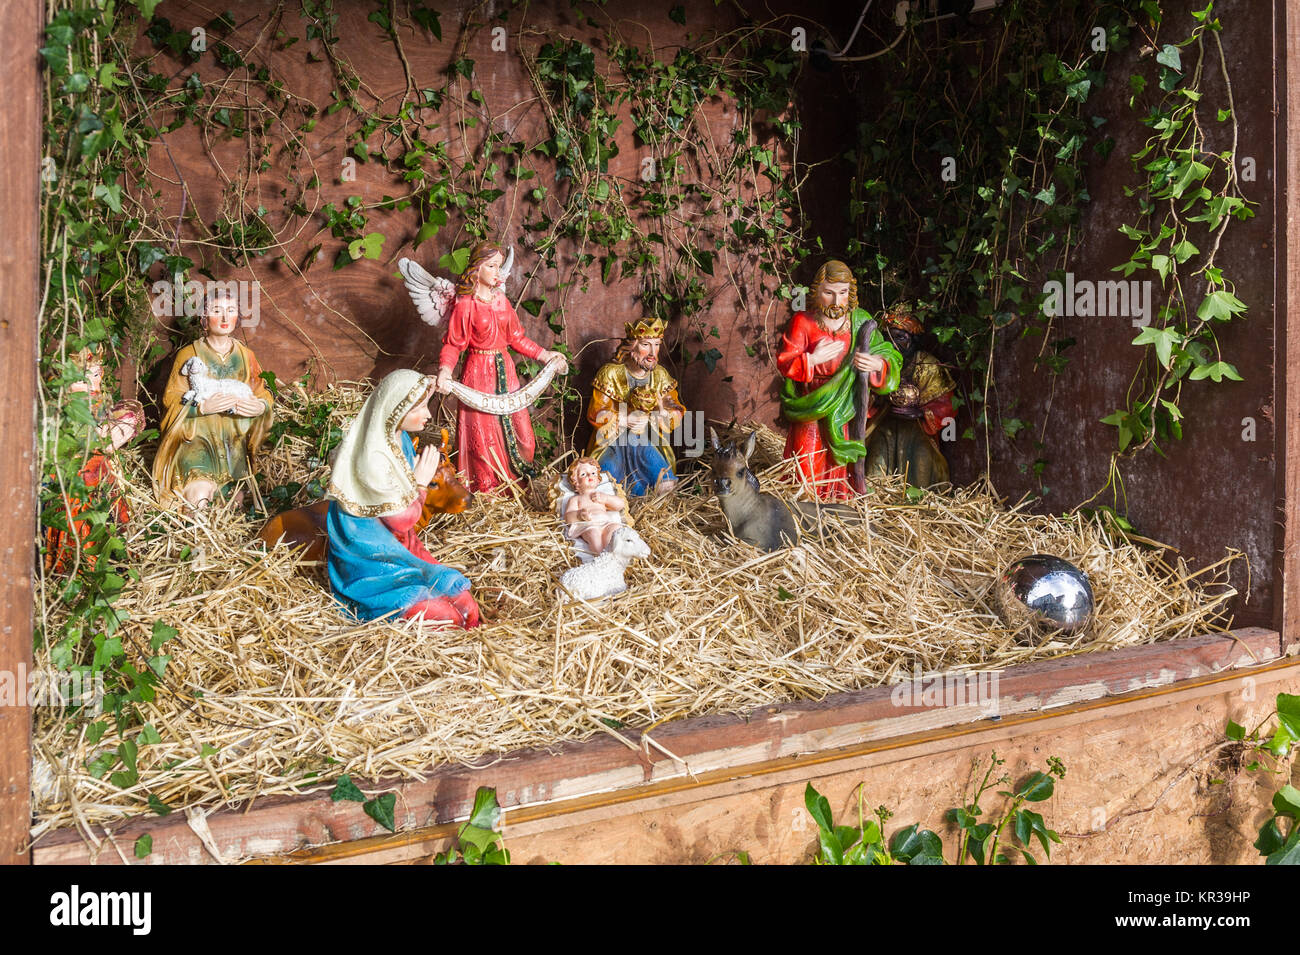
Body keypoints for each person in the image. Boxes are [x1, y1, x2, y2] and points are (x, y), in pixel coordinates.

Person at [326, 369, 480, 629]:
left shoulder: (403, 441)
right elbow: (400, 521)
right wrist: (420, 482)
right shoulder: (373, 456)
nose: (428, 415)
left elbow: (404, 530)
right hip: (372, 562)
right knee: (452, 617)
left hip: (404, 549)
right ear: (396, 409)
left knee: (468, 608)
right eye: (418, 408)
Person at [435, 241, 569, 493]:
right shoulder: (465, 304)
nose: (498, 272)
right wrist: (445, 370)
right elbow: (454, 344)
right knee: (483, 440)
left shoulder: (501, 301)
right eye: (492, 266)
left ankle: (515, 488)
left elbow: (516, 338)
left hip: (506, 372)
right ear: (477, 268)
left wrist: (544, 355)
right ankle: (488, 493)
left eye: (499, 266)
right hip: (478, 375)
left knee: (525, 439)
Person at [777, 260, 901, 499]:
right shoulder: (803, 322)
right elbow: (785, 361)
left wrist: (876, 364)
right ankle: (805, 507)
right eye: (829, 293)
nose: (836, 301)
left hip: (847, 405)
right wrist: (812, 360)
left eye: (843, 293)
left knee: (839, 464)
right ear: (817, 292)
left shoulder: (861, 322)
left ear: (850, 293)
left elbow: (888, 354)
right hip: (812, 403)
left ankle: (836, 508)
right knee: (807, 459)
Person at [152, 288, 273, 508]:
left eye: (231, 310)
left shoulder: (246, 356)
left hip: (234, 442)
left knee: (236, 501)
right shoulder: (189, 354)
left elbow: (262, 393)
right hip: (196, 439)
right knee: (199, 495)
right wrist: (201, 407)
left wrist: (259, 407)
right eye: (217, 311)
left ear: (238, 317)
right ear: (204, 319)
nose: (225, 317)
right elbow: (171, 399)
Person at [586, 317, 684, 495]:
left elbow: (674, 412)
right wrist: (624, 420)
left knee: (664, 480)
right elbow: (596, 412)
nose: (653, 352)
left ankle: (655, 508)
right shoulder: (611, 374)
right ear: (632, 346)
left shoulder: (660, 376)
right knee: (606, 479)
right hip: (613, 442)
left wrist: (655, 415)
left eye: (657, 344)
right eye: (646, 344)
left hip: (649, 440)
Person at [44, 400, 145, 574]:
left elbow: (115, 497)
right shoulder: (86, 448)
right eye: (119, 430)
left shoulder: (109, 461)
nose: (119, 439)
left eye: (126, 437)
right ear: (107, 424)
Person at [862, 303, 956, 488]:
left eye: (900, 338)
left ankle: (919, 501)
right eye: (888, 338)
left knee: (921, 462)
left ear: (913, 339)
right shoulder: (880, 362)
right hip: (885, 425)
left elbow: (946, 405)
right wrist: (880, 400)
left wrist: (921, 413)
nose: (894, 344)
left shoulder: (927, 365)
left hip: (918, 431)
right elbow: (866, 397)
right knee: (875, 463)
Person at [562, 456, 628, 555]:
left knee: (615, 530)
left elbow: (620, 505)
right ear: (576, 483)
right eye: (583, 474)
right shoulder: (576, 499)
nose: (589, 475)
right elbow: (568, 517)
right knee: (594, 535)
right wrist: (580, 515)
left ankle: (615, 556)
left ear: (598, 479)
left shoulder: (601, 495)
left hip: (606, 523)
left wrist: (606, 499)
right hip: (589, 525)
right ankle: (600, 557)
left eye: (593, 473)